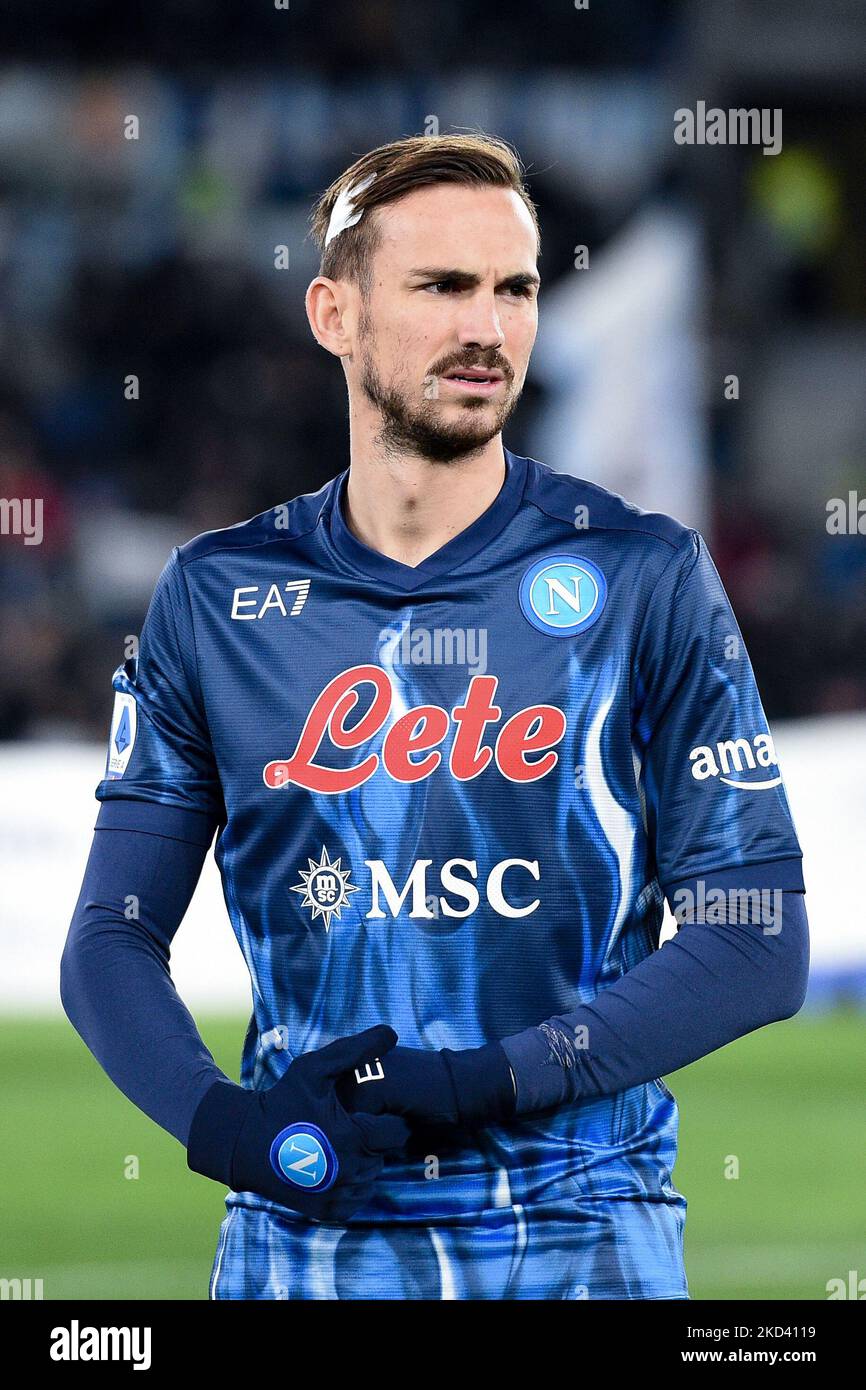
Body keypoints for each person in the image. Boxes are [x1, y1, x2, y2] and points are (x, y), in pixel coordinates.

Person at [61, 133, 808, 1300]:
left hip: (585, 1232)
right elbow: (109, 938)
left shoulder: (644, 574)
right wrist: (230, 1127)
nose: (490, 327)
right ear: (333, 314)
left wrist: (484, 1082)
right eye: (443, 286)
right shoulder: (213, 596)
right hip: (303, 1245)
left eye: (515, 288)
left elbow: (754, 938)